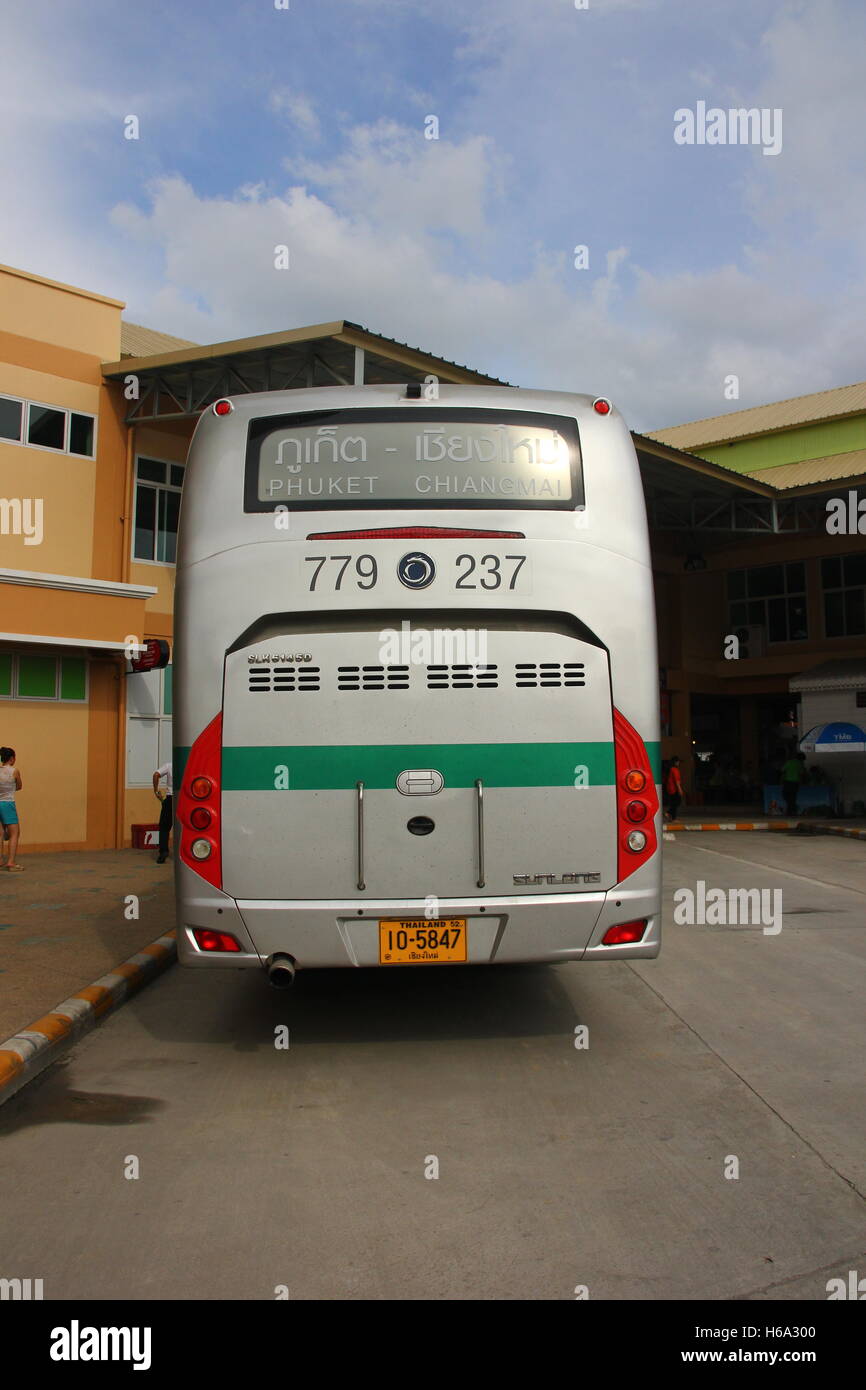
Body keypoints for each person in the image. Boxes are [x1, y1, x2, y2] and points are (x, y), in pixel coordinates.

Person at [0, 747, 23, 870]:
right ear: (12, 758)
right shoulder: (14, 771)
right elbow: (19, 786)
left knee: (0, 833)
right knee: (15, 833)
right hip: (7, 803)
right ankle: (11, 862)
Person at [152, 759, 173, 864]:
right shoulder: (189, 766)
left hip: (170, 800)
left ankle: (163, 852)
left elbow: (156, 775)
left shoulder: (169, 765)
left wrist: (156, 790)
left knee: (164, 827)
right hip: (184, 800)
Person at [780, 749, 806, 817]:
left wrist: (781, 780)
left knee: (786, 796)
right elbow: (801, 774)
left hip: (787, 782)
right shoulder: (800, 764)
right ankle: (792, 810)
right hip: (795, 783)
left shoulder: (789, 762)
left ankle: (790, 811)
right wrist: (801, 782)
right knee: (793, 797)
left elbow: (782, 771)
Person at [664, 756, 684, 821]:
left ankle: (671, 817)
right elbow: (677, 781)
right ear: (675, 762)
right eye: (678, 762)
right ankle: (669, 814)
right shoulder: (675, 770)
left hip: (669, 788)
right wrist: (680, 789)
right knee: (677, 802)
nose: (679, 763)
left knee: (673, 803)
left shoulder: (670, 769)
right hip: (674, 789)